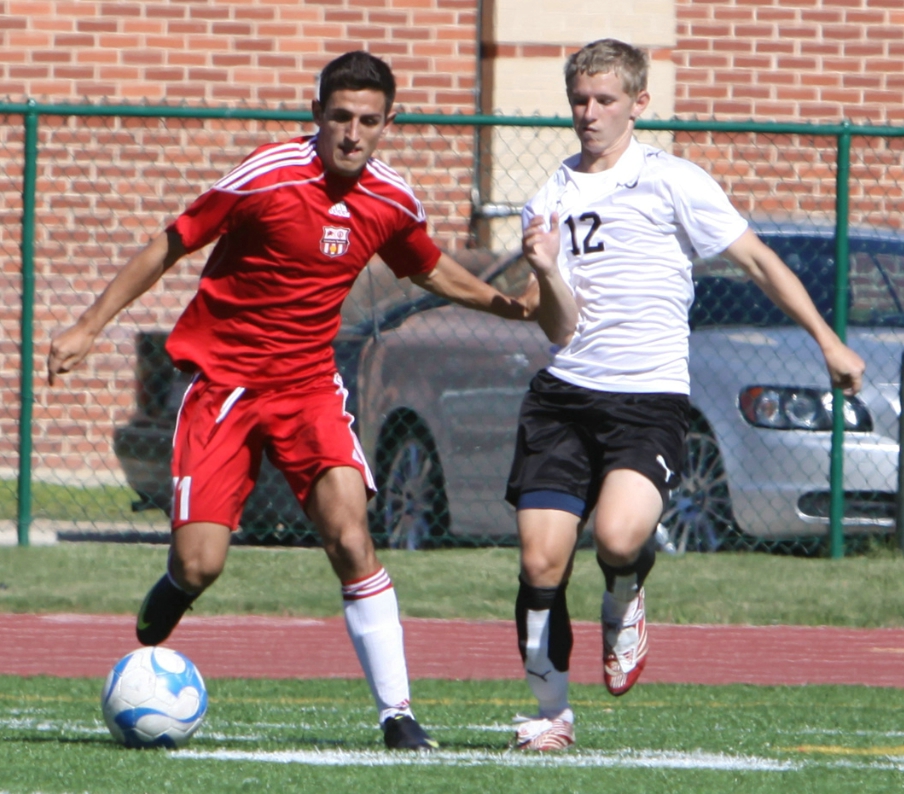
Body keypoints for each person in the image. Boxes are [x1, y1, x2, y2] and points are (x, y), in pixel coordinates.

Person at [47, 51, 534, 751]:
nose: (352, 133)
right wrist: (89, 327)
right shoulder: (268, 176)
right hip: (224, 386)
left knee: (350, 535)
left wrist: (509, 306)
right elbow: (170, 244)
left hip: (307, 387)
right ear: (317, 116)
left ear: (388, 123)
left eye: (368, 120)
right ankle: (178, 587)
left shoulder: (392, 200)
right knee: (200, 563)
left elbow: (431, 268)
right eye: (339, 117)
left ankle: (397, 714)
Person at [507, 38, 866, 751]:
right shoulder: (549, 197)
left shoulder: (673, 180)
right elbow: (560, 324)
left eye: (605, 100)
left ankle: (626, 591)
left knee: (618, 537)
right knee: (540, 563)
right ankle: (552, 716)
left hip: (647, 401)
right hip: (564, 398)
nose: (589, 113)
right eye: (579, 100)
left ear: (638, 105)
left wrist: (828, 340)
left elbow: (759, 261)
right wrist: (545, 271)